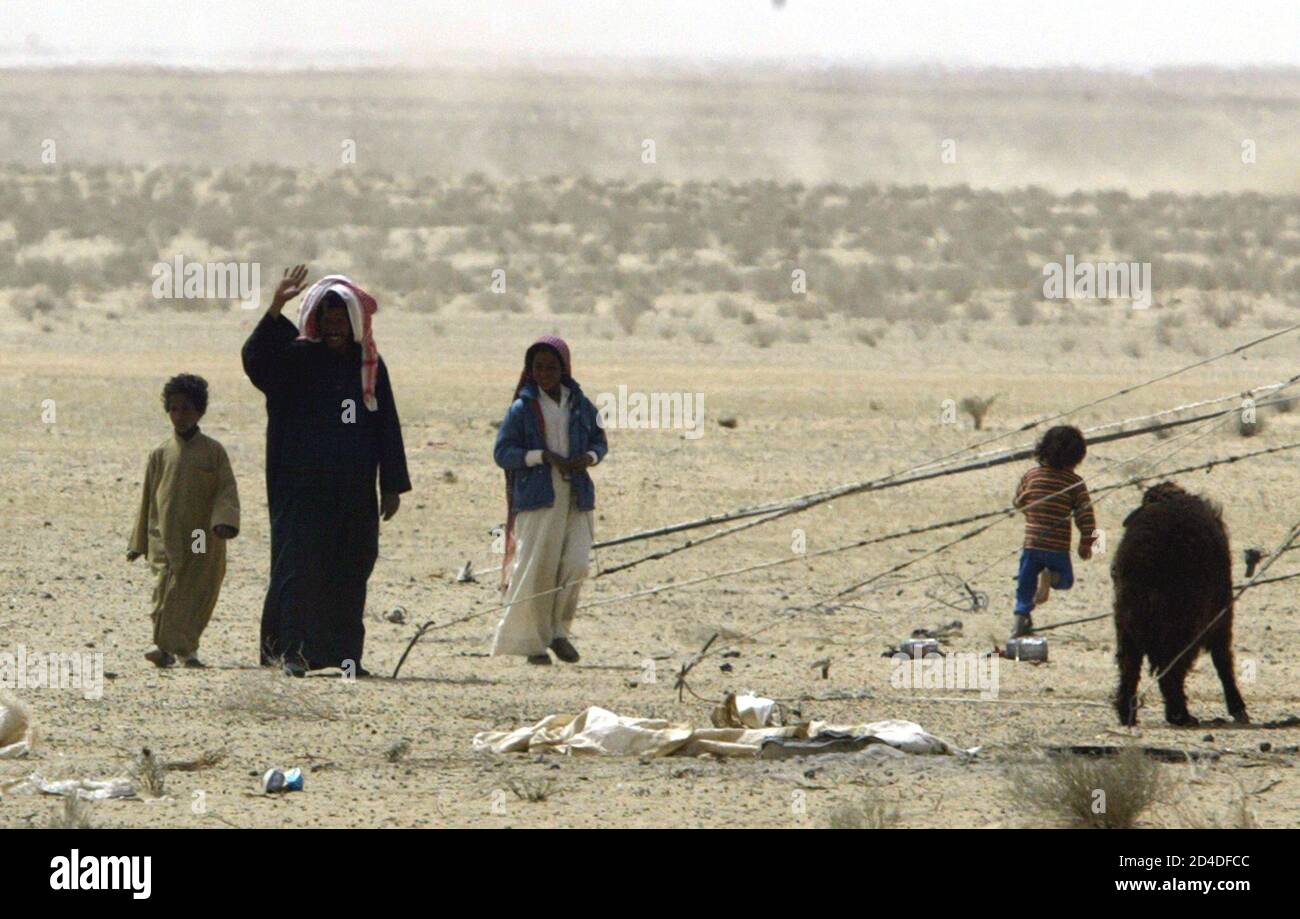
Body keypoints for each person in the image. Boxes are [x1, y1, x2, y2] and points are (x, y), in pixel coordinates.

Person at [242, 265, 410, 677]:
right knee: (298, 566)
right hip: (300, 486)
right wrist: (277, 304)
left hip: (353, 488)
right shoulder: (296, 358)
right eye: (327, 319)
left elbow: (385, 422)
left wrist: (391, 485)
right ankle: (290, 653)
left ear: (353, 322)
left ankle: (343, 656)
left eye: (341, 320)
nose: (334, 327)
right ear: (316, 321)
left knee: (351, 567)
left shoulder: (368, 364)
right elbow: (255, 362)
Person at [492, 337, 608, 665]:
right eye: (538, 367)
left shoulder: (581, 405)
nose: (545, 373)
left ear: (564, 368)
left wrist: (587, 458)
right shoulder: (522, 408)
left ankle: (559, 632)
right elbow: (503, 453)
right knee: (538, 569)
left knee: (575, 564)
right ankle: (533, 643)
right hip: (538, 498)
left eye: (552, 367)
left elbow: (600, 442)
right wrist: (541, 456)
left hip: (576, 497)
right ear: (530, 370)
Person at [128, 374, 240, 668]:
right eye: (174, 409)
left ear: (200, 411)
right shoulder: (160, 454)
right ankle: (163, 647)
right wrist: (138, 542)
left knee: (194, 589)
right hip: (164, 536)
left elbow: (225, 490)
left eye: (187, 409)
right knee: (163, 590)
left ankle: (185, 649)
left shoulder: (213, 452)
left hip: (201, 536)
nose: (180, 415)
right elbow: (148, 500)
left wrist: (224, 521)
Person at [1010, 425, 1096, 638]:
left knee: (1025, 585)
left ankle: (1020, 621)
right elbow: (1086, 515)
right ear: (1077, 457)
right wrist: (1087, 541)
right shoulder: (1075, 483)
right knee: (1066, 581)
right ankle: (1051, 577)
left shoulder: (1032, 475)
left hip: (1032, 544)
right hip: (1058, 547)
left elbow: (1019, 501)